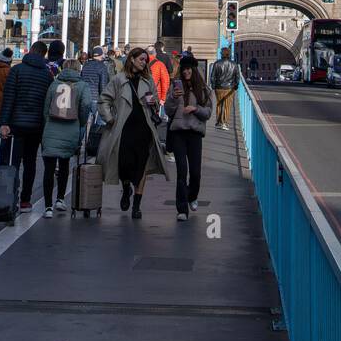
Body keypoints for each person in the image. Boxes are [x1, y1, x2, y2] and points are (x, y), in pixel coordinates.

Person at [97, 47, 169, 218]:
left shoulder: (148, 80)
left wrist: (153, 103)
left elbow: (155, 105)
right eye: (141, 59)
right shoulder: (118, 79)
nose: (144, 62)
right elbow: (104, 100)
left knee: (141, 166)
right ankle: (126, 187)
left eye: (145, 60)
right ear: (131, 60)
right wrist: (110, 119)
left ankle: (136, 206)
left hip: (143, 129)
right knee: (124, 164)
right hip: (124, 128)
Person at [0, 39, 52, 211]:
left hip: (17, 123)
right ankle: (25, 200)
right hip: (37, 125)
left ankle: (11, 196)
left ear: (30, 50)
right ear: (44, 55)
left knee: (14, 162)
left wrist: (4, 123)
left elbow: (8, 99)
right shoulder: (47, 75)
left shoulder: (16, 70)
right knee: (30, 163)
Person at [41, 62, 93, 217]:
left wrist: (47, 124)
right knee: (64, 166)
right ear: (78, 69)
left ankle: (48, 207)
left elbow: (46, 108)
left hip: (51, 128)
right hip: (71, 128)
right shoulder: (82, 86)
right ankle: (60, 199)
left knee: (49, 169)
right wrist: (81, 122)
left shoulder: (54, 84)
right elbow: (86, 105)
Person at [164, 53, 212, 220]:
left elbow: (208, 113)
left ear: (194, 69)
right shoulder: (176, 88)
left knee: (196, 173)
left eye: (188, 69)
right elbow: (168, 111)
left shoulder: (204, 89)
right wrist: (172, 98)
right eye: (183, 69)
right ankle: (182, 209)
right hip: (178, 132)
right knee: (181, 171)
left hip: (195, 134)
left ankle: (192, 196)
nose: (185, 72)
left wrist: (195, 109)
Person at [210, 47, 240, 130]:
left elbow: (212, 76)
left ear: (222, 54)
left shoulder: (217, 63)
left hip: (219, 87)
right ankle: (225, 123)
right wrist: (236, 85)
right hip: (230, 88)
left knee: (219, 104)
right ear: (229, 54)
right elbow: (237, 77)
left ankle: (218, 122)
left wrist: (213, 86)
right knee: (227, 105)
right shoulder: (234, 64)